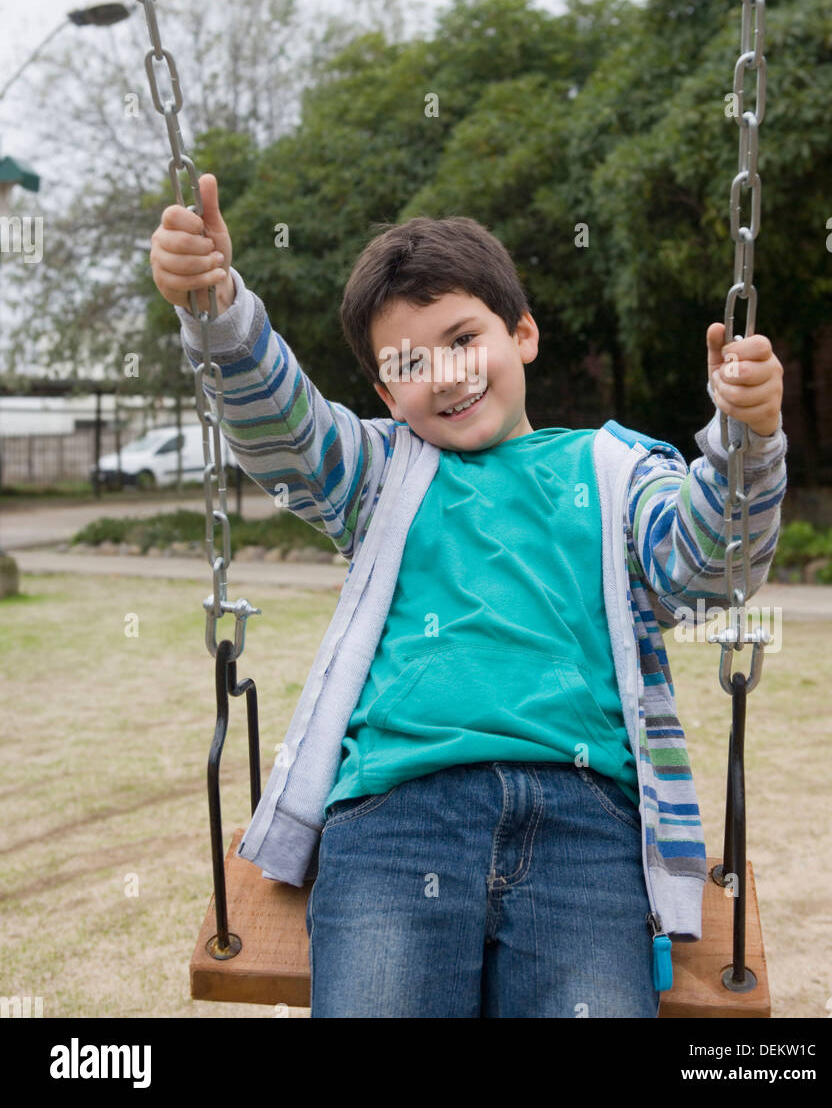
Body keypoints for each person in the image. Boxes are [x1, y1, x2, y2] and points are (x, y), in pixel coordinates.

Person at [150, 173, 787, 1018]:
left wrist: (748, 441)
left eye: (463, 338)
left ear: (522, 333)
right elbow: (283, 424)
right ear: (384, 395)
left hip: (586, 822)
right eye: (409, 363)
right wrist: (217, 312)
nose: (445, 376)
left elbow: (706, 573)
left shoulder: (617, 471)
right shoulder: (379, 475)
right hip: (394, 815)